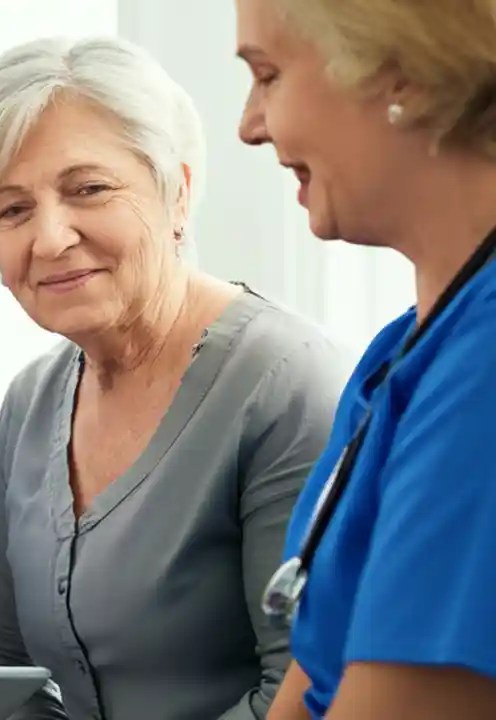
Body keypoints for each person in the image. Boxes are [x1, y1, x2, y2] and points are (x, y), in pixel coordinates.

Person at [0, 36, 347, 720]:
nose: (49, 238)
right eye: (12, 209)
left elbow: (302, 690)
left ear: (178, 192)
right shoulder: (30, 403)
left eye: (89, 189)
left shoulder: (283, 384)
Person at [234, 1, 496, 718]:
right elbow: (318, 668)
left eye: (268, 75)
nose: (249, 125)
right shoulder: (397, 355)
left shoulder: (483, 376)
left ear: (400, 72)